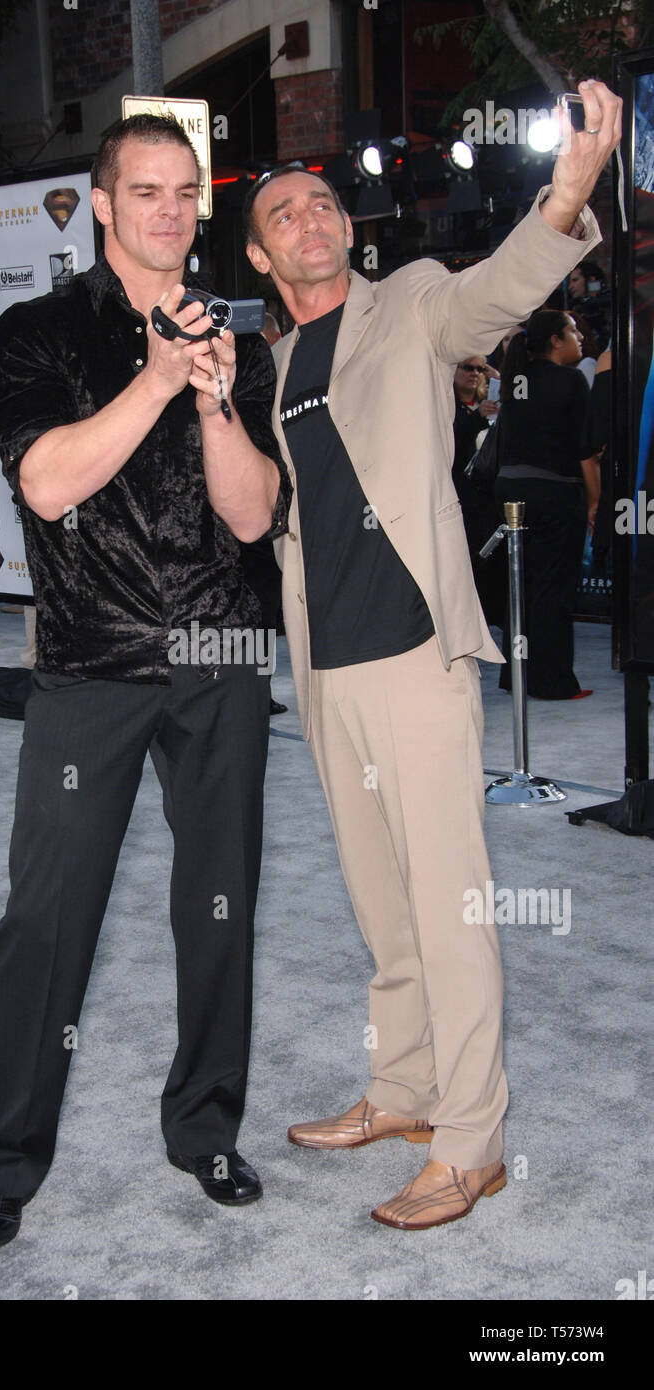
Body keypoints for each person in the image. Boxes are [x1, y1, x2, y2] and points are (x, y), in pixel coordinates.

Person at [243, 79, 620, 1230]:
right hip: (326, 670)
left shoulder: (404, 303)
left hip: (413, 655)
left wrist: (565, 190)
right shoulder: (266, 374)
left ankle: (471, 1141)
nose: (309, 219)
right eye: (282, 215)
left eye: (319, 204)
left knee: (448, 906)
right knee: (380, 902)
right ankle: (403, 1089)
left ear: (342, 230)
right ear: (259, 259)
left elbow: (493, 294)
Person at [0, 113, 290, 1248]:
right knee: (45, 917)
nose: (167, 210)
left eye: (184, 191)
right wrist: (155, 380)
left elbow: (253, 514)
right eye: (144, 189)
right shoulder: (36, 330)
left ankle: (205, 1128)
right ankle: (7, 1161)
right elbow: (47, 485)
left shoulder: (228, 335)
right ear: (100, 203)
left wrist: (209, 397)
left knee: (220, 908)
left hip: (219, 654)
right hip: (91, 661)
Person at [495, 310, 600, 699]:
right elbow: (584, 450)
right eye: (572, 332)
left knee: (520, 583)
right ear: (555, 340)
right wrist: (595, 502)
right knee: (553, 588)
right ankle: (553, 681)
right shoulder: (570, 380)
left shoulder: (515, 378)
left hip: (511, 491)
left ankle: (517, 675)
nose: (580, 339)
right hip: (555, 494)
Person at [450, 356, 505, 628]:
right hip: (457, 494)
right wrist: (476, 418)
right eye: (468, 367)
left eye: (480, 369)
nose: (474, 374)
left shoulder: (492, 404)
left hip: (486, 495)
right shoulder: (445, 404)